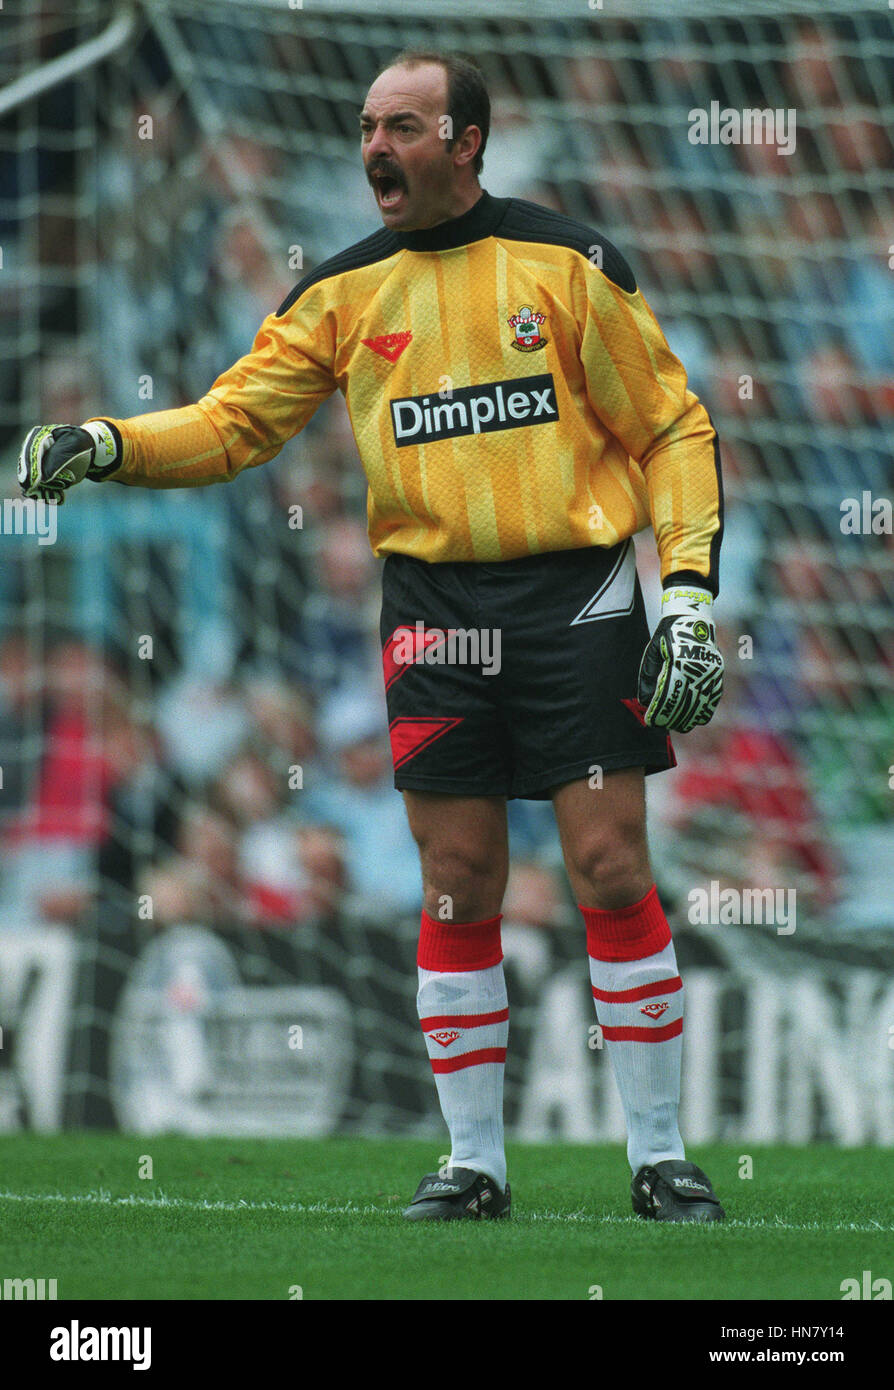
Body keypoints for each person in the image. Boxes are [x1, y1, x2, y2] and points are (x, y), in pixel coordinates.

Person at [18, 50, 725, 1223]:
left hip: (579, 597)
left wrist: (689, 590)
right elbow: (233, 424)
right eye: (365, 128)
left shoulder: (567, 261)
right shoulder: (339, 293)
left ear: (467, 144)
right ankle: (475, 1165)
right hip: (435, 609)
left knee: (608, 864)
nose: (374, 149)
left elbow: (674, 424)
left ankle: (660, 1155)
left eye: (402, 126)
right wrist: (111, 442)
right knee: (457, 879)